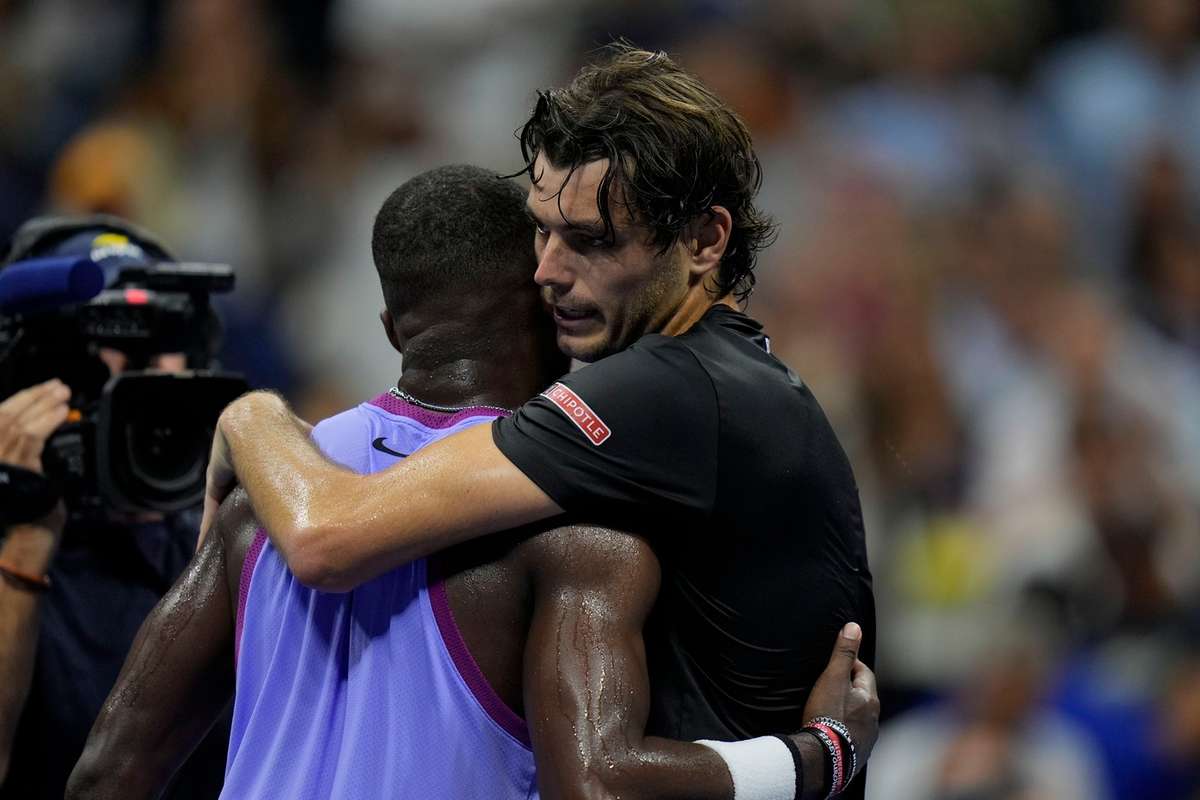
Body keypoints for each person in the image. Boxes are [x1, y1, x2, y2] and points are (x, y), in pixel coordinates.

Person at [69, 165, 877, 799]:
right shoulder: (574, 530)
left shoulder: (258, 507)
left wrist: (249, 417)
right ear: (546, 295)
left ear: (393, 327)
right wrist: (819, 757)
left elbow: (106, 776)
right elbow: (597, 784)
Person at [0, 217, 229, 799]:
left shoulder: (222, 542)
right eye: (120, 357)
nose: (145, 390)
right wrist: (26, 534)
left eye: (161, 353)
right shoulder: (14, 535)